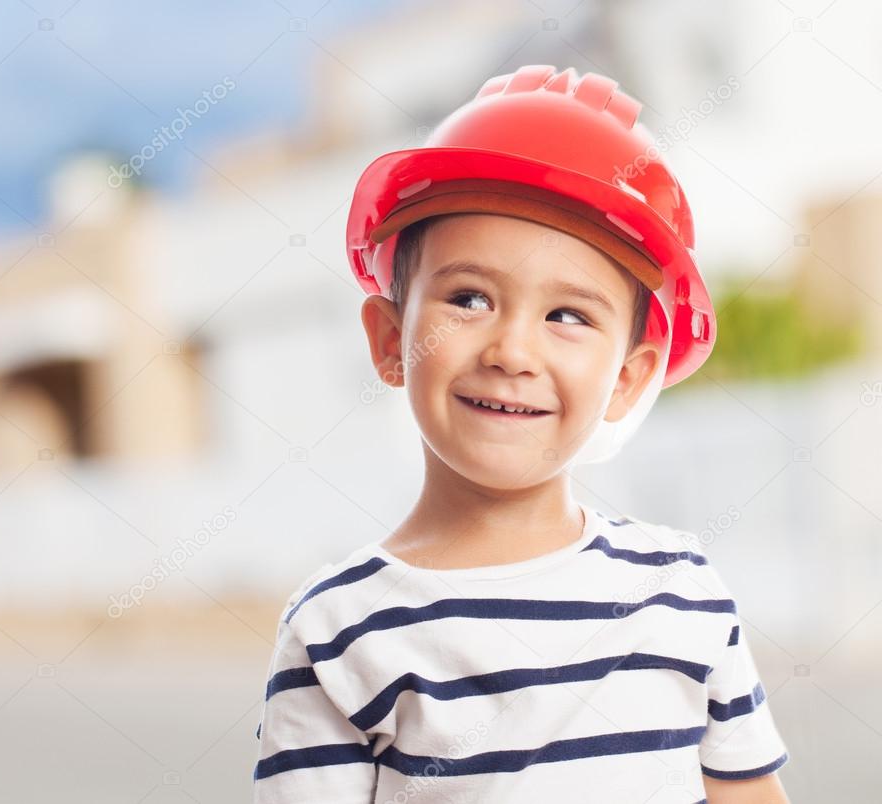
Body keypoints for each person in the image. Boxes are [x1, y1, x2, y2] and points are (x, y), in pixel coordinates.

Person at [252, 64, 790, 803]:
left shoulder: (680, 593)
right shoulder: (337, 631)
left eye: (567, 315)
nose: (511, 352)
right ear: (390, 338)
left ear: (627, 378)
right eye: (469, 298)